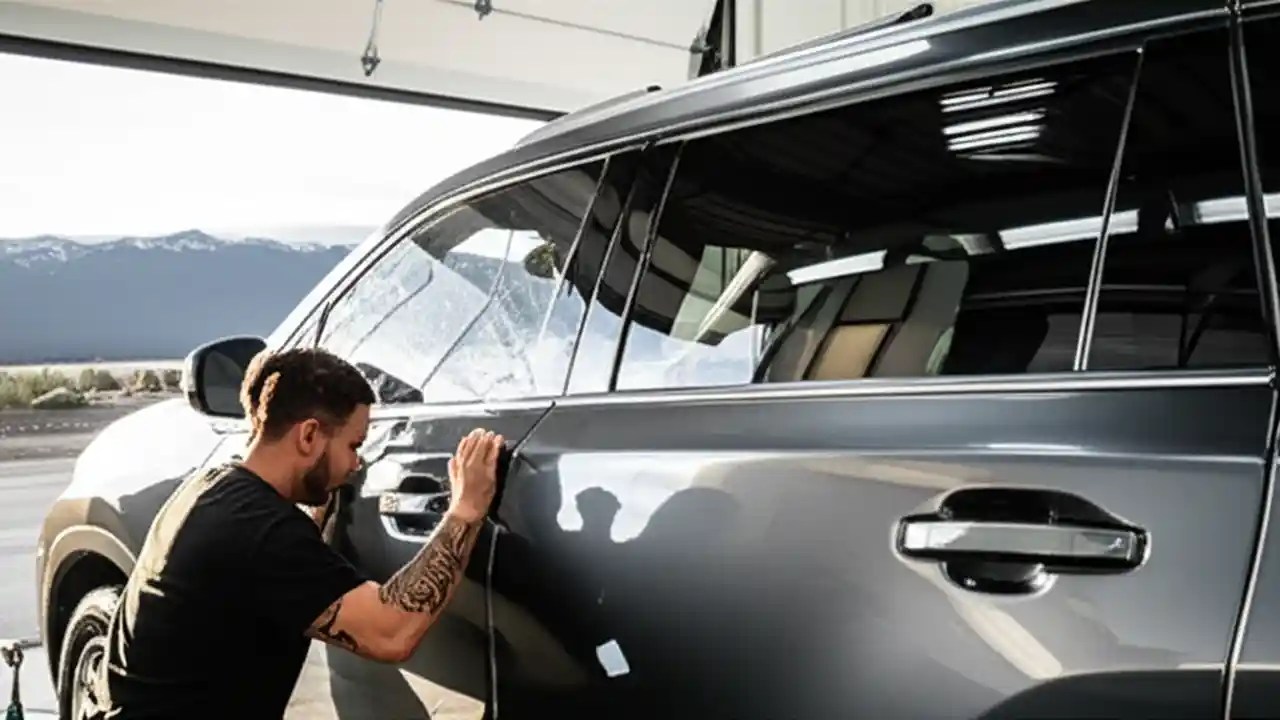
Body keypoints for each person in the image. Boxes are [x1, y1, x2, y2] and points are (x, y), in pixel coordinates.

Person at [98, 347, 505, 719]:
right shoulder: (260, 531)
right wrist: (465, 509)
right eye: (354, 445)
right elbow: (391, 632)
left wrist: (324, 491)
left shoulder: (215, 490)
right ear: (308, 435)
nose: (357, 464)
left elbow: (282, 566)